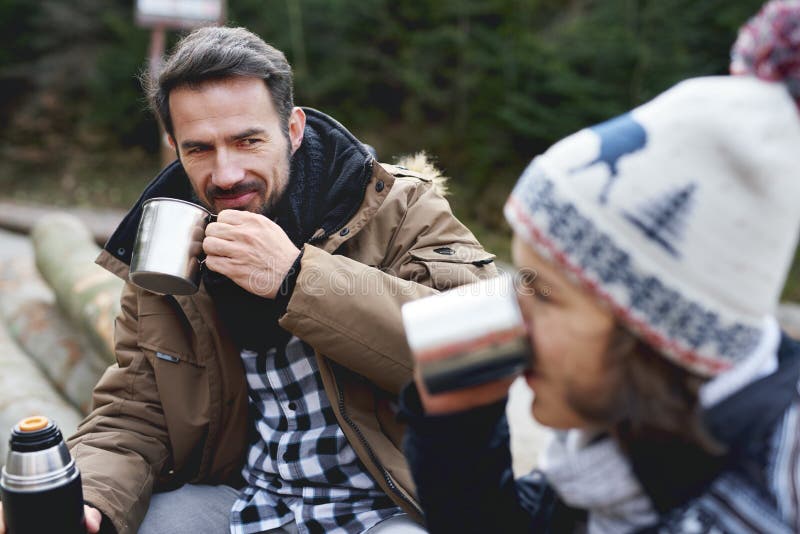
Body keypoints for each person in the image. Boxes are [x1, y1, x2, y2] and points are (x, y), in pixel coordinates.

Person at [0, 26, 497, 534]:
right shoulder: (167, 241)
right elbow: (135, 408)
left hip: (388, 505)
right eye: (199, 149)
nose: (226, 174)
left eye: (247, 140)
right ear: (175, 146)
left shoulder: (397, 206)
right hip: (248, 501)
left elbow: (483, 349)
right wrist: (90, 501)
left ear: (293, 129)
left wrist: (297, 277)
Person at [401, 1, 800, 532]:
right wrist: (457, 429)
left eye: (545, 294)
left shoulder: (760, 503)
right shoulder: (613, 450)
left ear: (658, 331)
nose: (510, 314)